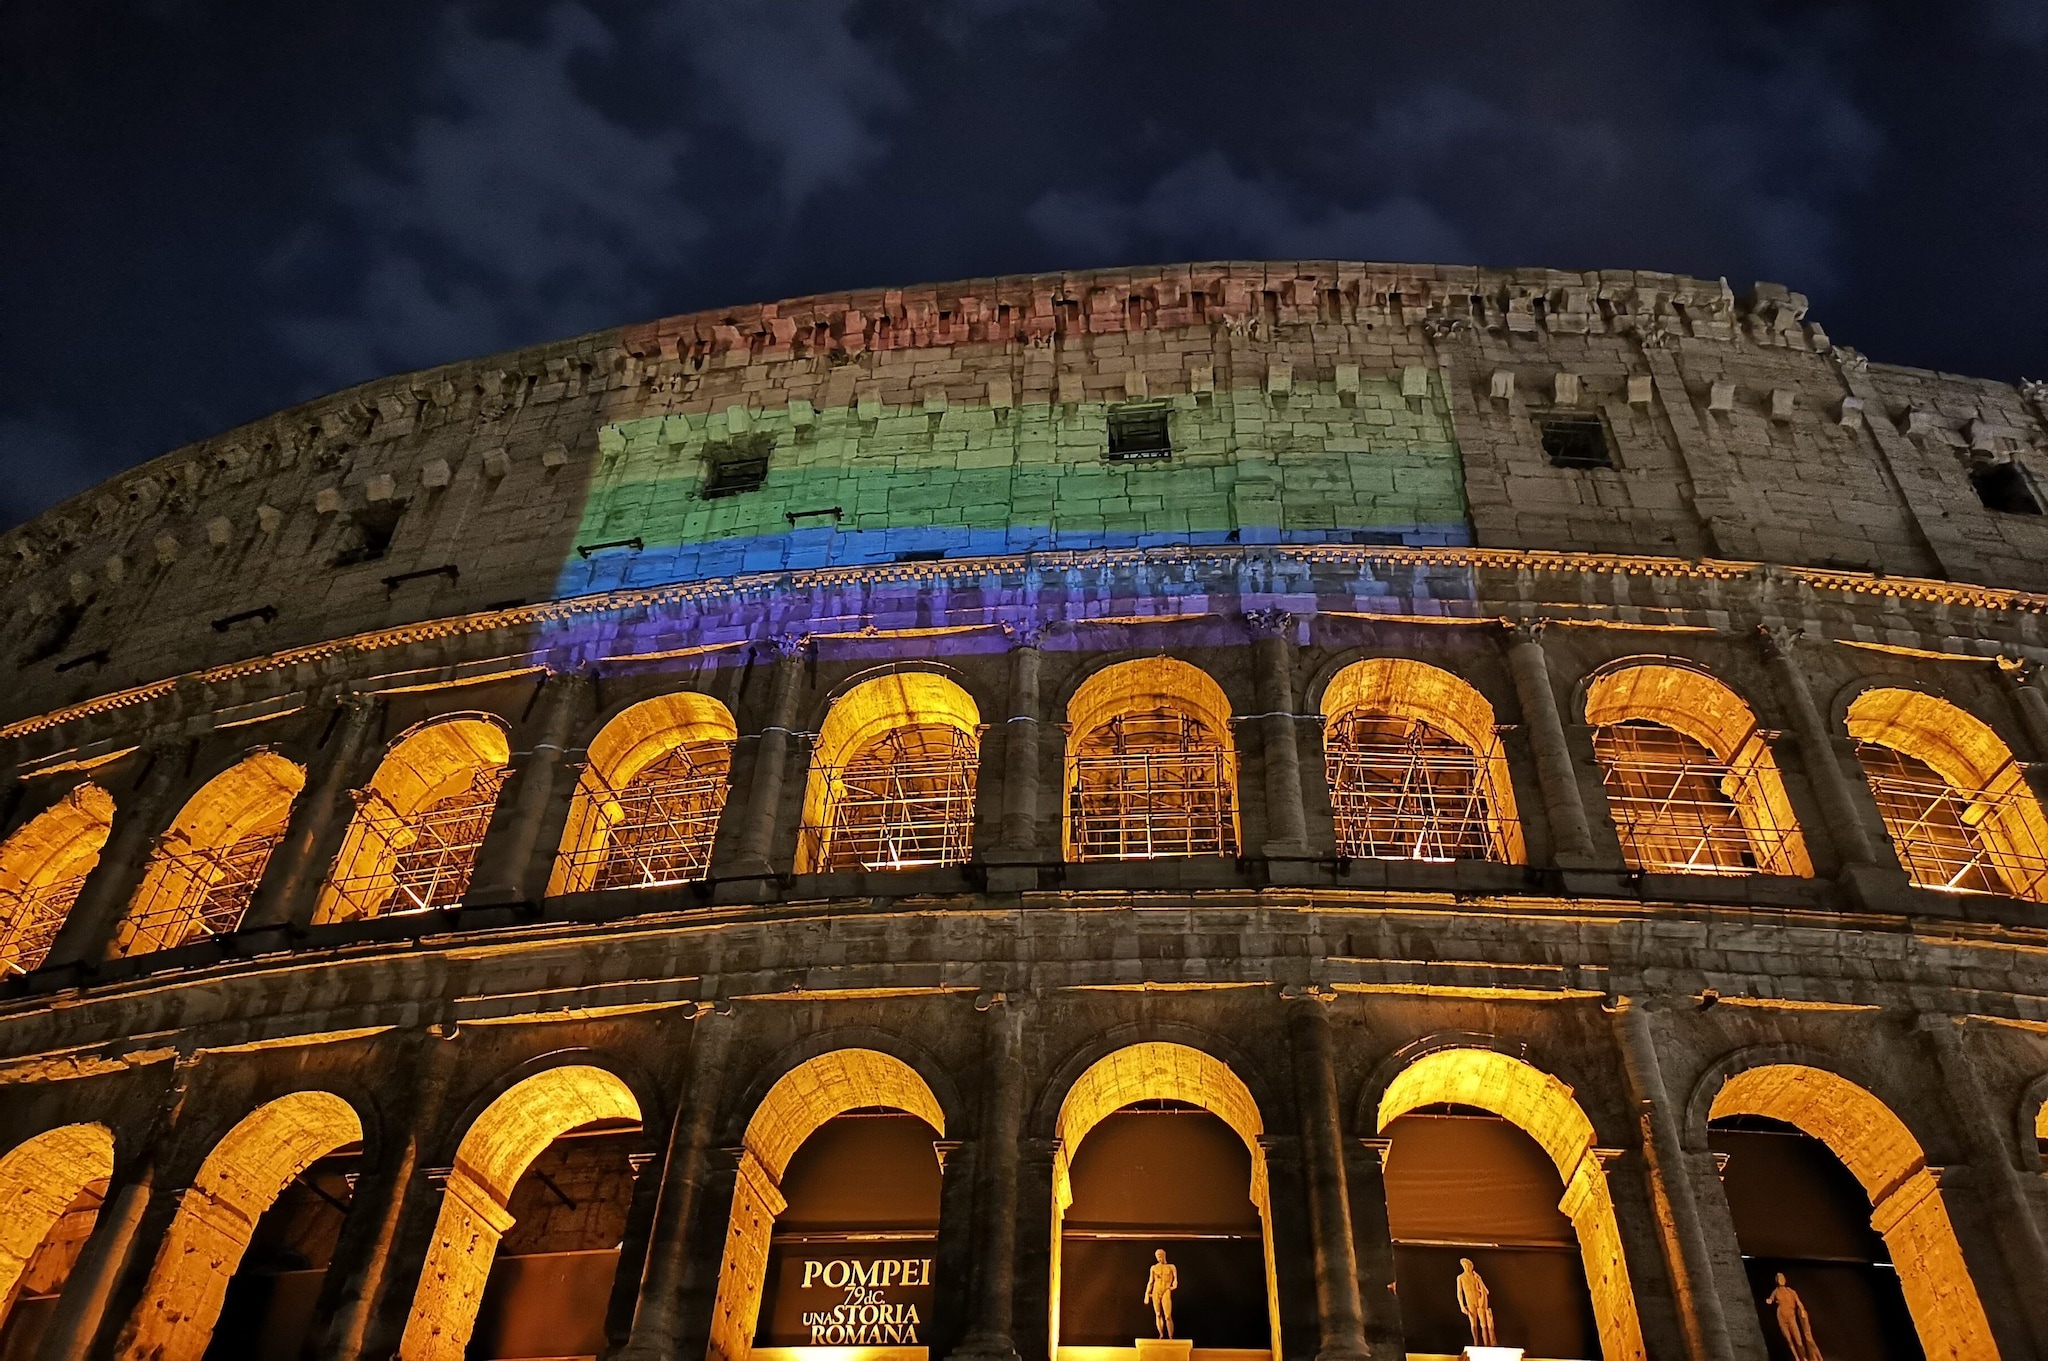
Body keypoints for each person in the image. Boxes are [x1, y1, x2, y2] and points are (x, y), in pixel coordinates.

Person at [1765, 1273, 1824, 1361]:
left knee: (1798, 1338)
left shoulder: (1791, 1291)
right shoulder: (1776, 1291)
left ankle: (1804, 1358)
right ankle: (1796, 1357)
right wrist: (1769, 1301)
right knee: (1789, 1339)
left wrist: (1802, 1310)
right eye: (1779, 1278)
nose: (1781, 1280)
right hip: (1782, 1316)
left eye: (1782, 1278)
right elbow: (1771, 1299)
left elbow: (1798, 1302)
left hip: (1791, 1317)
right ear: (1777, 1281)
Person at [1455, 1258, 1496, 1349]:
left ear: (1471, 1266)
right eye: (1465, 1266)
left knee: (1483, 1323)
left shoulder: (1475, 1276)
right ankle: (1476, 1342)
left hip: (1479, 1301)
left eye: (1468, 1266)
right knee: (1473, 1323)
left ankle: (1486, 1343)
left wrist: (1479, 1280)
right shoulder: (1461, 1278)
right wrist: (1462, 1305)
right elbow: (1459, 1293)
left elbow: (1485, 1290)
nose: (1466, 1268)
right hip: (1470, 1302)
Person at [1142, 1248, 1179, 1340]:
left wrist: (1174, 1285)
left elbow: (1175, 1279)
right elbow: (1150, 1281)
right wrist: (1147, 1294)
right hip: (1156, 1290)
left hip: (1166, 1289)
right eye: (1157, 1257)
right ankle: (1161, 1334)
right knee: (1158, 1314)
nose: (1159, 1258)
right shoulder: (1154, 1268)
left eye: (1160, 1256)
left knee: (1167, 1315)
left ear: (1164, 1256)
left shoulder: (1171, 1267)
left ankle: (1170, 1336)